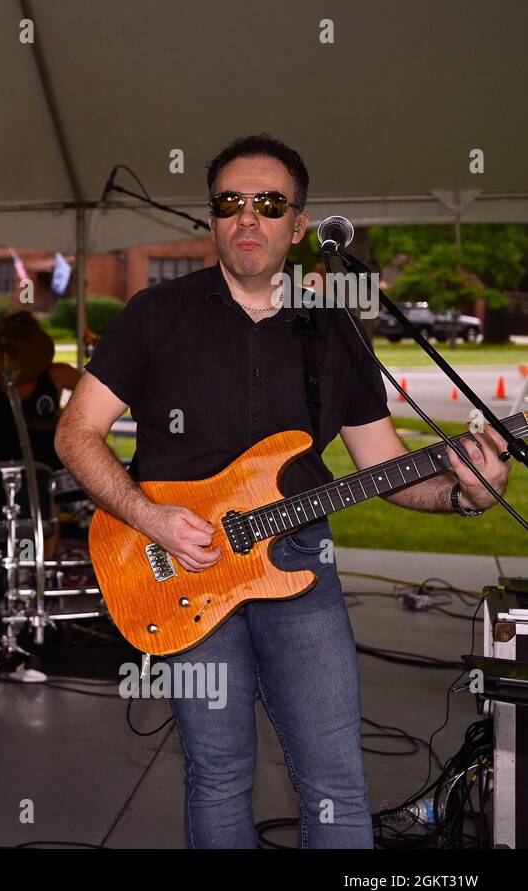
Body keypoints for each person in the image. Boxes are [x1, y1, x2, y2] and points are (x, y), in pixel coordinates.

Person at [55, 134, 512, 848]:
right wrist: (152, 516)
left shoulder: (332, 328)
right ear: (211, 219)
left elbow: (386, 466)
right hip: (180, 563)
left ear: (298, 225)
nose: (247, 217)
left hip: (301, 567)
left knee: (336, 781)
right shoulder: (155, 314)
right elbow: (75, 433)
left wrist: (460, 494)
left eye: (268, 203)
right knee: (219, 774)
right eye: (229, 202)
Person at [0, 312, 80, 468]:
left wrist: (70, 417)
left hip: (52, 474)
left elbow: (95, 395)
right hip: (4, 476)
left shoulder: (57, 374)